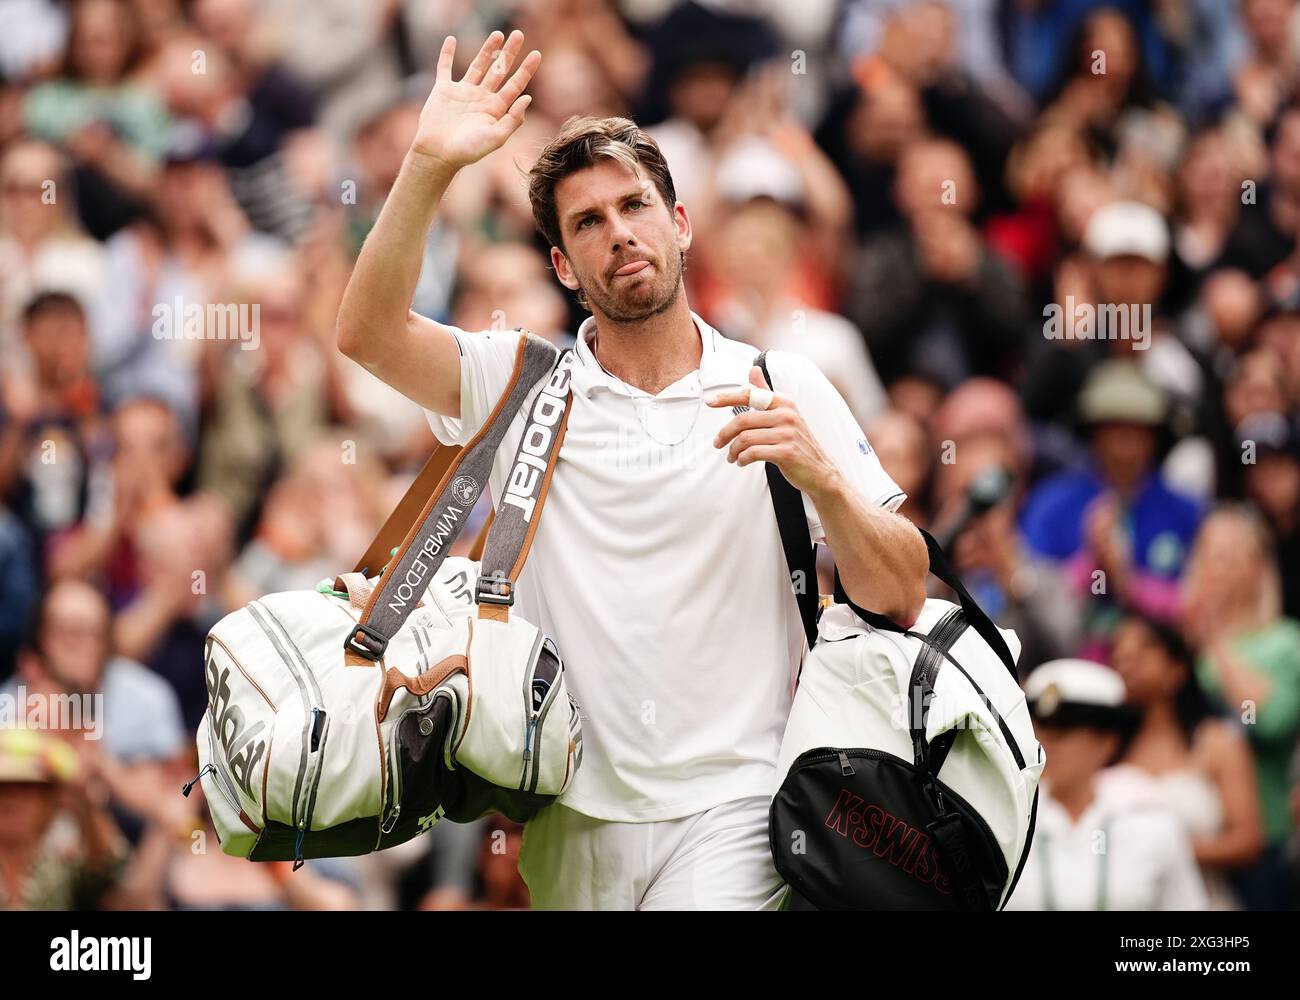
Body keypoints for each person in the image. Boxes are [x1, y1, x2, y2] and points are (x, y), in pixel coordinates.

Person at [336, 30, 928, 911]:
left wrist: (828, 484)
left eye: (634, 206)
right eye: (587, 223)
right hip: (569, 817)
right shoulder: (517, 383)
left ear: (679, 222)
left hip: (741, 805)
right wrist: (427, 163)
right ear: (563, 267)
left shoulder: (781, 383)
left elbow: (905, 589)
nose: (619, 234)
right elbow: (368, 335)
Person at [1005, 658, 1209, 911]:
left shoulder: (1150, 818)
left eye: (1064, 731)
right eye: (1040, 729)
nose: (1047, 743)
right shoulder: (1008, 816)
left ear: (1107, 742)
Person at [1182, 504, 1300, 910]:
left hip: (1262, 843)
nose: (1221, 568)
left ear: (1259, 568)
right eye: (1212, 555)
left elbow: (1268, 720)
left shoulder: (1284, 642)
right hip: (1190, 836)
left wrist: (1216, 640)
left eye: (1234, 555)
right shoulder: (1177, 646)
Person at [1110, 613, 1264, 909]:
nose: (1126, 663)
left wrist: (1165, 851)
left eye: (1141, 653)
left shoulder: (1218, 742)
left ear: (1177, 669)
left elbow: (1248, 842)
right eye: (1119, 655)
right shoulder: (1106, 749)